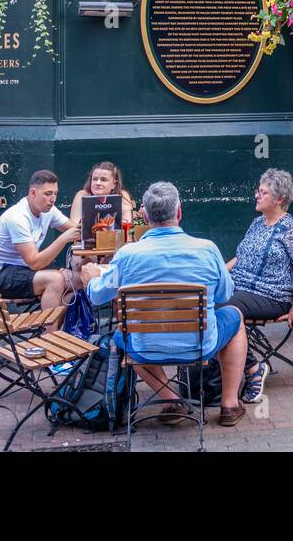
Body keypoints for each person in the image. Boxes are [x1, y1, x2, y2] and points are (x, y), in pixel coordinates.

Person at [81, 181, 250, 427]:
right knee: (235, 316)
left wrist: (91, 278)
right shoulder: (207, 250)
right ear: (179, 212)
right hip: (200, 345)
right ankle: (229, 404)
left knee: (122, 336)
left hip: (146, 348)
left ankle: (171, 399)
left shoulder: (128, 256)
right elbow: (225, 294)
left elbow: (96, 296)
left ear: (144, 215)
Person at [222, 169, 293, 403]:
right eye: (258, 190)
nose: (257, 195)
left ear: (279, 199)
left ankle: (253, 369)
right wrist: (219, 272)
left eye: (263, 192)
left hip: (272, 295)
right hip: (242, 288)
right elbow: (240, 257)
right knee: (207, 303)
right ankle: (216, 378)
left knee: (225, 311)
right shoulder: (256, 224)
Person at [0, 170, 80, 310]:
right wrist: (63, 239)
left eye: (55, 193)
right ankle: (48, 332)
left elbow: (77, 231)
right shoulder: (18, 217)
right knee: (55, 279)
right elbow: (35, 263)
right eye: (48, 194)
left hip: (19, 269)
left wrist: (100, 228)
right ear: (32, 193)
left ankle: (58, 326)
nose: (53, 199)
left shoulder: (49, 210)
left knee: (77, 279)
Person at [67, 162, 135, 233]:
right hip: (86, 242)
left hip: (115, 240)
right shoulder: (82, 195)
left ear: (114, 184)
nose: (98, 183)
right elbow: (73, 227)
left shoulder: (122, 194)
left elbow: (128, 225)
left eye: (103, 180)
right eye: (95, 179)